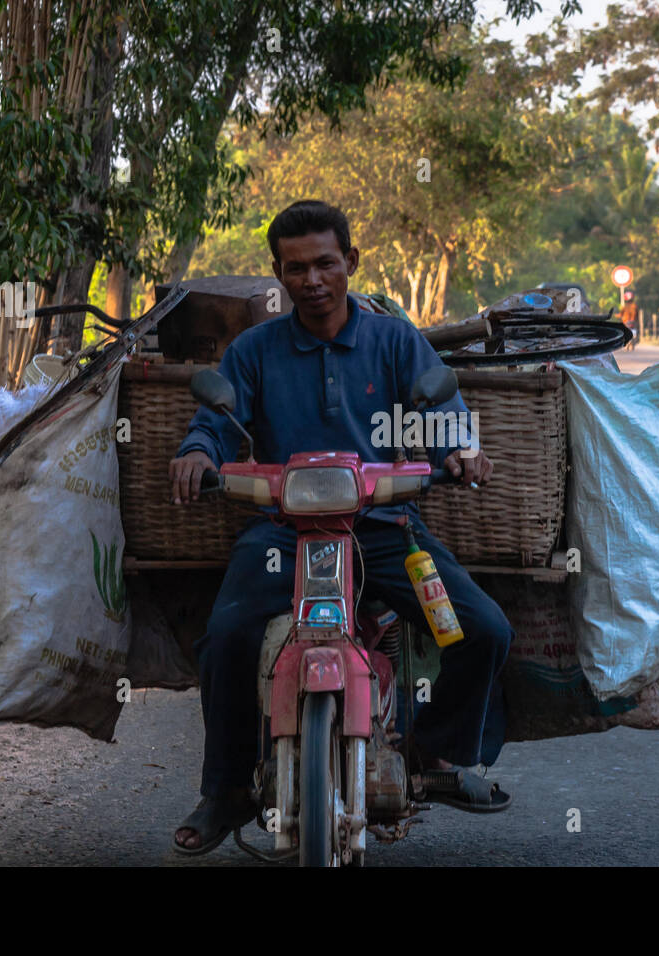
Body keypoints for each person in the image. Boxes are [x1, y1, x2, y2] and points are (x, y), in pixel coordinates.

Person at [167, 200, 515, 855]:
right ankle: (226, 790)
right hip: (282, 533)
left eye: (326, 263)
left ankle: (436, 758)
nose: (313, 280)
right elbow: (216, 419)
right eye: (295, 269)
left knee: (484, 629)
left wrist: (463, 449)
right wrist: (197, 453)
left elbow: (443, 414)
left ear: (350, 262)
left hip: (383, 528)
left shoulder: (393, 341)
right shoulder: (256, 351)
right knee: (226, 634)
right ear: (278, 275)